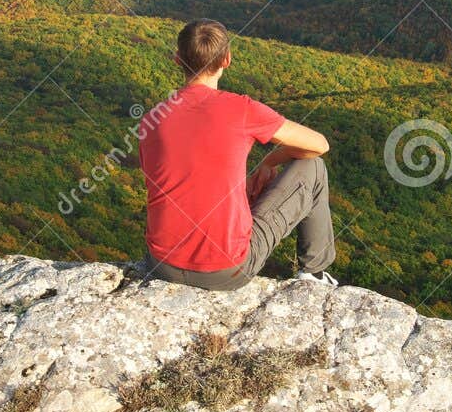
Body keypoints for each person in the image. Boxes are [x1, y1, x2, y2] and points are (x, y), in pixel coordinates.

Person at [139, 18, 338, 290]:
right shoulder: (241, 109)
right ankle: (314, 273)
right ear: (227, 59)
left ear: (177, 59)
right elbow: (319, 144)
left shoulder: (151, 120)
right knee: (313, 168)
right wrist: (271, 160)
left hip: (160, 265)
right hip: (226, 271)